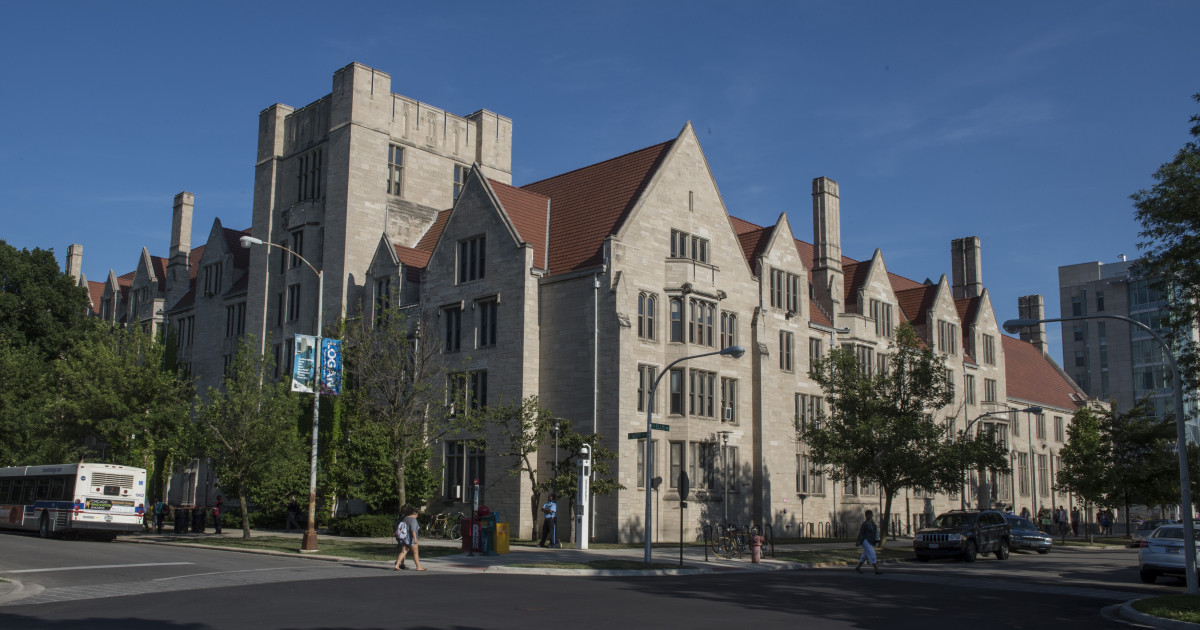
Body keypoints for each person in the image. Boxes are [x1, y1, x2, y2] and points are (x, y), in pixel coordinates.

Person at [393, 505, 426, 571]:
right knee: (415, 553)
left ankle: (397, 565)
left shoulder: (405, 518)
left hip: (404, 538)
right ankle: (418, 567)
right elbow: (413, 530)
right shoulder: (413, 520)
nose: (417, 516)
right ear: (415, 514)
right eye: (417, 514)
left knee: (403, 552)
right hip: (411, 538)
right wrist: (415, 539)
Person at [855, 510, 882, 575]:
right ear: (866, 516)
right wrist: (858, 541)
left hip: (871, 541)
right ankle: (876, 569)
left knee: (865, 555)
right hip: (865, 540)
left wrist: (877, 539)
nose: (869, 516)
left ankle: (858, 567)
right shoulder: (864, 524)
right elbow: (861, 533)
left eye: (870, 515)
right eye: (868, 515)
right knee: (872, 553)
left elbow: (875, 533)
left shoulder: (872, 524)